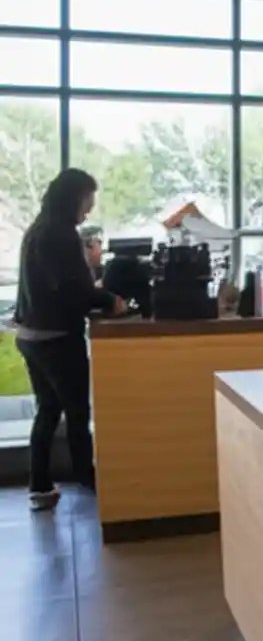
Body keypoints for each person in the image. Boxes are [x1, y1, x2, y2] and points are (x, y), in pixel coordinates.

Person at [13, 169, 125, 511]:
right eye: (87, 201)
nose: (88, 210)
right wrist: (110, 301)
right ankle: (87, 479)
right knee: (77, 411)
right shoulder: (60, 235)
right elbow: (73, 289)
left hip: (30, 334)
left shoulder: (39, 230)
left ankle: (41, 486)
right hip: (57, 338)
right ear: (74, 198)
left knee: (48, 410)